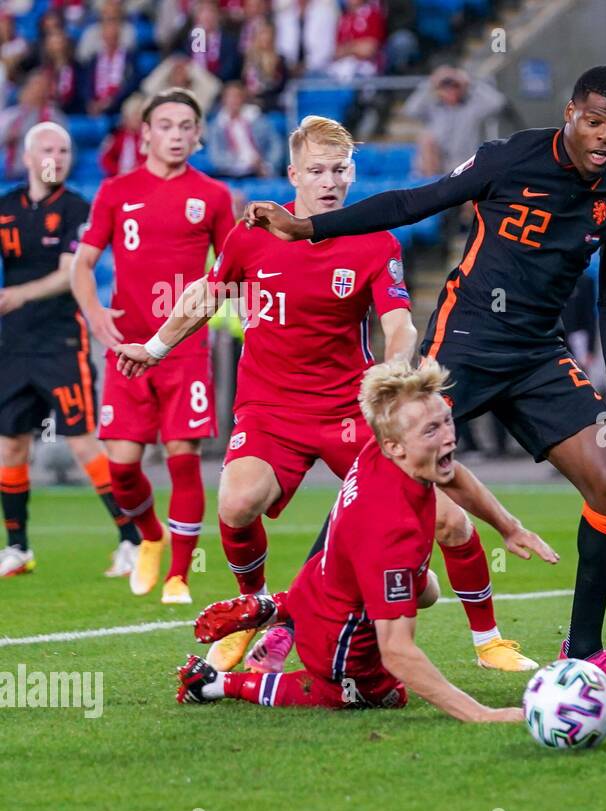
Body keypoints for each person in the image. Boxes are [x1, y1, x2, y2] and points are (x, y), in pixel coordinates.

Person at [243, 65, 606, 689]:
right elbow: (415, 202)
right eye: (595, 123)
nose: (605, 138)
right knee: (380, 467)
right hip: (466, 337)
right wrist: (310, 228)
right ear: (571, 113)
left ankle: (585, 651)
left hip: (538, 355)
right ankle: (287, 621)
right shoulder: (511, 157)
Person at [115, 115, 549, 674]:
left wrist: (393, 372)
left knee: (448, 522)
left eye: (339, 170)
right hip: (270, 408)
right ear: (293, 173)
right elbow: (207, 293)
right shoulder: (253, 233)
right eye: (316, 170)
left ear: (352, 173)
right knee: (237, 502)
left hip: (351, 409)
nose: (329, 181)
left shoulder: (373, 240)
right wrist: (154, 347)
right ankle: (256, 612)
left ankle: (490, 642)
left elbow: (398, 323)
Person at [178, 361, 524, 723]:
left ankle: (282, 606)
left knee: (428, 589)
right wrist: (481, 713)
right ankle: (214, 684)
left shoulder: (385, 448)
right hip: (336, 635)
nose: (449, 437)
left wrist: (508, 526)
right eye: (432, 429)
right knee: (375, 694)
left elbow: (451, 471)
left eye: (447, 421)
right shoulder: (393, 535)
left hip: (323, 580)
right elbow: (397, 654)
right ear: (396, 445)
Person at [71, 88, 236, 604]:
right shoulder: (117, 191)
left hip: (184, 350)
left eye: (187, 126)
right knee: (121, 467)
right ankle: (150, 536)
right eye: (166, 125)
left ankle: (179, 576)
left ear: (199, 134)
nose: (177, 135)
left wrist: (213, 306)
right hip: (127, 349)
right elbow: (81, 264)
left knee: (183, 457)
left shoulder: (212, 195)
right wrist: (96, 314)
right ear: (145, 134)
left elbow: (230, 272)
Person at [0, 122, 140, 579]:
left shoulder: (80, 208)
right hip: (13, 345)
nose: (57, 156)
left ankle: (131, 540)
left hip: (62, 342)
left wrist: (19, 294)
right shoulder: (6, 208)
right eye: (48, 149)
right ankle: (18, 547)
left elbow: (69, 273)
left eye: (64, 149)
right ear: (26, 157)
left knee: (82, 441)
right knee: (11, 446)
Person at [402, 66, 505, 179]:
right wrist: (430, 83)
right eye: (444, 86)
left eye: (455, 86)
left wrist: (471, 82)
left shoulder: (472, 107)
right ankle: (428, 182)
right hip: (435, 165)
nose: (450, 90)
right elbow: (410, 109)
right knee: (426, 139)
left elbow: (498, 102)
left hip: (462, 165)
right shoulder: (432, 107)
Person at [207, 80, 282, 178]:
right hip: (230, 173)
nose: (233, 100)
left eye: (237, 96)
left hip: (260, 170)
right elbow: (215, 157)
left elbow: (275, 144)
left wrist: (268, 165)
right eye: (230, 97)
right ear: (223, 100)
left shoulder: (258, 119)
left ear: (243, 99)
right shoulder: (216, 126)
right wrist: (243, 162)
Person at [98, 91, 144, 175]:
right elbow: (106, 159)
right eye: (134, 115)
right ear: (126, 117)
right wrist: (118, 171)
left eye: (140, 116)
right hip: (118, 176)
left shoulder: (147, 138)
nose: (138, 119)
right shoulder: (116, 135)